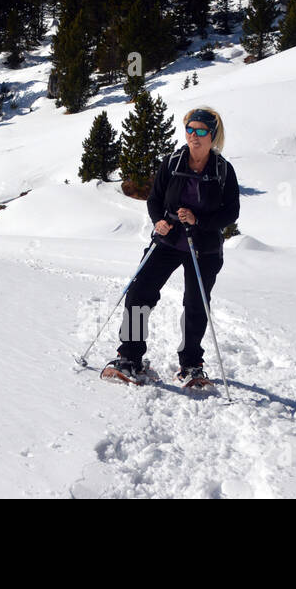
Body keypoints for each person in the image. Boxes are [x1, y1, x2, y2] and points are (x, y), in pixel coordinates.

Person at [103, 106, 240, 387]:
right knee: (139, 293)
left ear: (213, 136)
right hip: (167, 241)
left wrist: (199, 219)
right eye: (190, 129)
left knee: (196, 304)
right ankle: (129, 356)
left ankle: (191, 365)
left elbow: (231, 213)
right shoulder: (173, 162)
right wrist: (158, 222)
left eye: (201, 131)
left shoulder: (223, 170)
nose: (194, 136)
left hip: (204, 247)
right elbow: (155, 200)